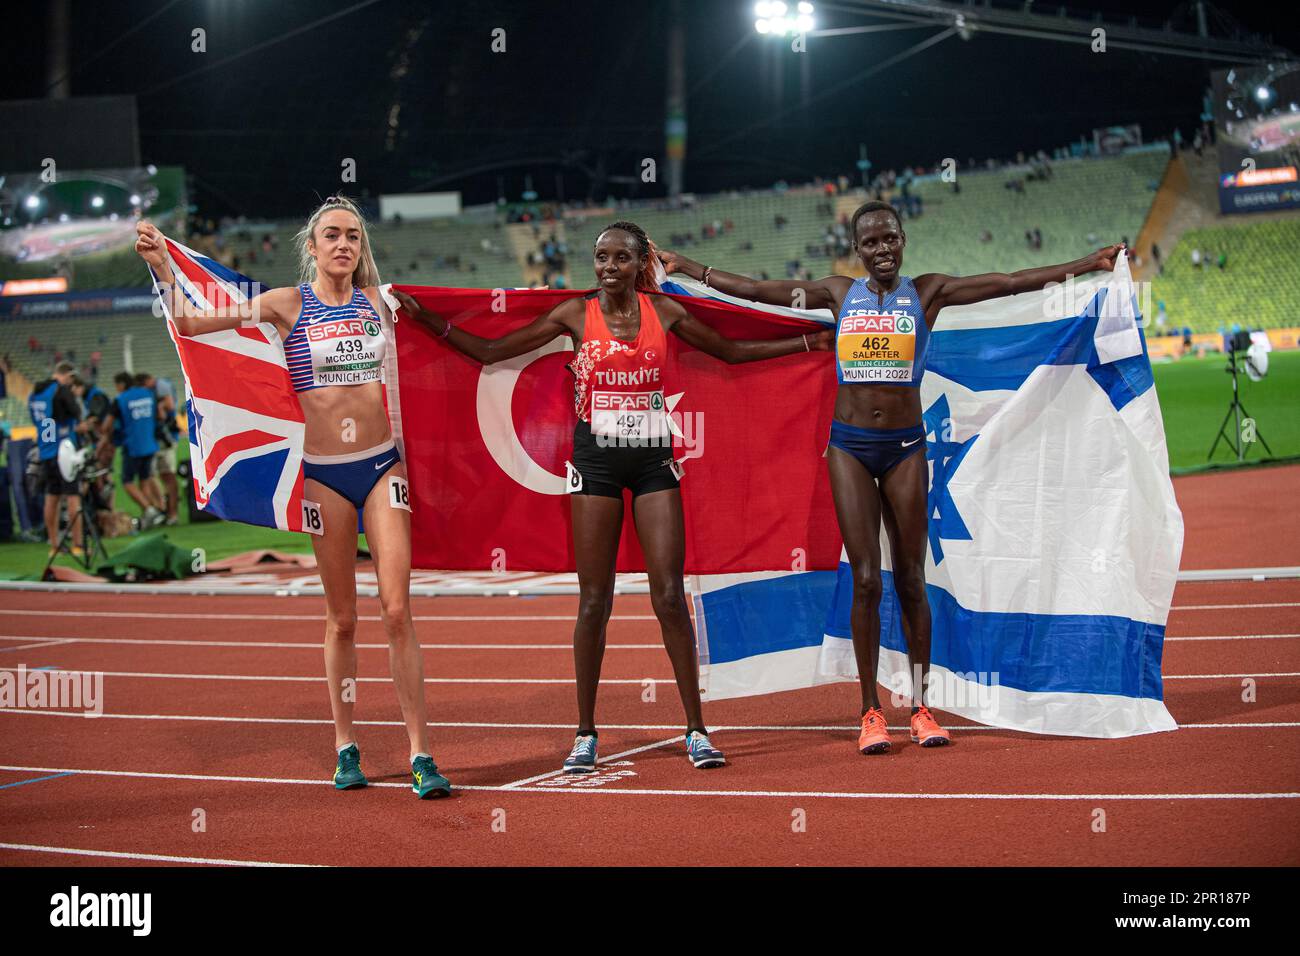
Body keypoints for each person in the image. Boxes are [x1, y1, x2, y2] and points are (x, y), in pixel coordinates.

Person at [657, 201, 1125, 755]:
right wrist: (689, 268)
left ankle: (922, 708)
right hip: (850, 449)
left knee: (909, 577)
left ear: (903, 240)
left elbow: (1009, 282)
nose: (882, 250)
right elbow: (760, 290)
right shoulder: (837, 294)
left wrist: (1087, 264)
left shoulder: (927, 293)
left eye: (890, 239)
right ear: (857, 250)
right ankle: (870, 711)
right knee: (865, 580)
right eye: (871, 243)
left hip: (904, 449)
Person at [392, 221, 831, 773]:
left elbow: (732, 352)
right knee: (594, 599)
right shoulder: (574, 314)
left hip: (652, 461)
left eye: (620, 258)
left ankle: (696, 728)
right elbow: (489, 352)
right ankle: (585, 733)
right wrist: (426, 319)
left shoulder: (664, 313)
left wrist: (809, 341)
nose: (607, 268)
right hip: (595, 461)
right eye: (600, 258)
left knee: (668, 594)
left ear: (640, 261)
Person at [135, 195, 451, 799]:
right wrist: (162, 267)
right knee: (343, 617)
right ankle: (346, 746)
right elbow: (193, 324)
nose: (343, 245)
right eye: (331, 235)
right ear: (312, 247)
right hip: (324, 475)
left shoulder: (380, 307)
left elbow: (438, 352)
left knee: (395, 610)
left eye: (353, 237)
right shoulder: (287, 303)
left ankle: (421, 753)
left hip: (383, 469)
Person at [27, 361, 86, 557]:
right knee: (72, 498)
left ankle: (54, 545)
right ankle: (78, 545)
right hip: (64, 451)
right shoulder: (60, 391)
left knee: (51, 499)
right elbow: (75, 414)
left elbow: (44, 423)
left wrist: (50, 438)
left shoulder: (34, 393)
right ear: (67, 375)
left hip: (46, 451)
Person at [103, 372, 165, 528]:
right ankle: (149, 516)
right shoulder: (148, 394)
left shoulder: (120, 399)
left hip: (132, 446)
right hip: (149, 444)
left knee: (127, 481)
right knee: (144, 480)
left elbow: (107, 425)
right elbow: (160, 415)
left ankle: (149, 510)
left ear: (122, 384)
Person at [140, 371, 180, 526]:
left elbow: (169, 406)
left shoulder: (161, 386)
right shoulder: (156, 388)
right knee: (154, 476)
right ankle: (164, 510)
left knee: (167, 476)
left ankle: (172, 513)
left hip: (166, 438)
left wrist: (159, 407)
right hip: (157, 440)